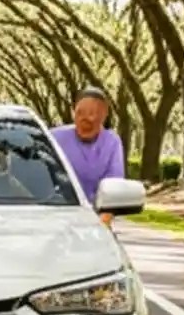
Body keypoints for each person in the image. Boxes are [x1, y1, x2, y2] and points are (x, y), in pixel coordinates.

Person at [49, 86, 126, 225]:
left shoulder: (112, 142)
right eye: (80, 113)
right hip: (54, 216)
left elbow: (113, 188)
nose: (85, 119)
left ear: (104, 115)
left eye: (93, 114)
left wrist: (101, 224)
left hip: (94, 219)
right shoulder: (54, 138)